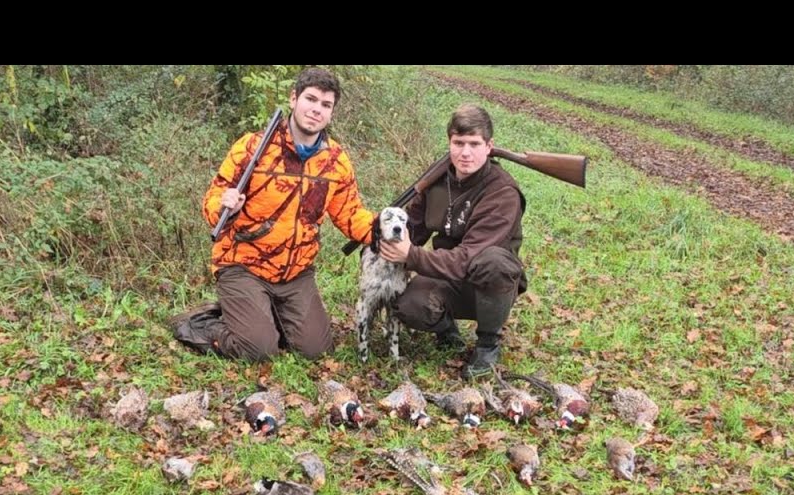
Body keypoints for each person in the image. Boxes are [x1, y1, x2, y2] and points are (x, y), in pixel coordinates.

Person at [171, 67, 376, 361]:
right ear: (294, 99)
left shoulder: (336, 161)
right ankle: (201, 322)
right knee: (259, 349)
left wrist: (383, 230)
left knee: (316, 350)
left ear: (331, 113)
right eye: (311, 99)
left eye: (325, 104)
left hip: (296, 272)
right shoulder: (252, 147)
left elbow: (350, 213)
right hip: (243, 265)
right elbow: (213, 200)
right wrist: (225, 205)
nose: (316, 109)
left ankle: (257, 315)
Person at [377, 104, 527, 379]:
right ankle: (446, 330)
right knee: (409, 306)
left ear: (489, 146)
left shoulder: (502, 191)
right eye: (458, 143)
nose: (465, 152)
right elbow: (414, 228)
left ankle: (488, 344)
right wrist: (384, 239)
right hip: (447, 273)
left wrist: (411, 255)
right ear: (449, 143)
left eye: (474, 144)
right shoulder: (437, 179)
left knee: (493, 262)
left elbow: (468, 257)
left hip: (487, 282)